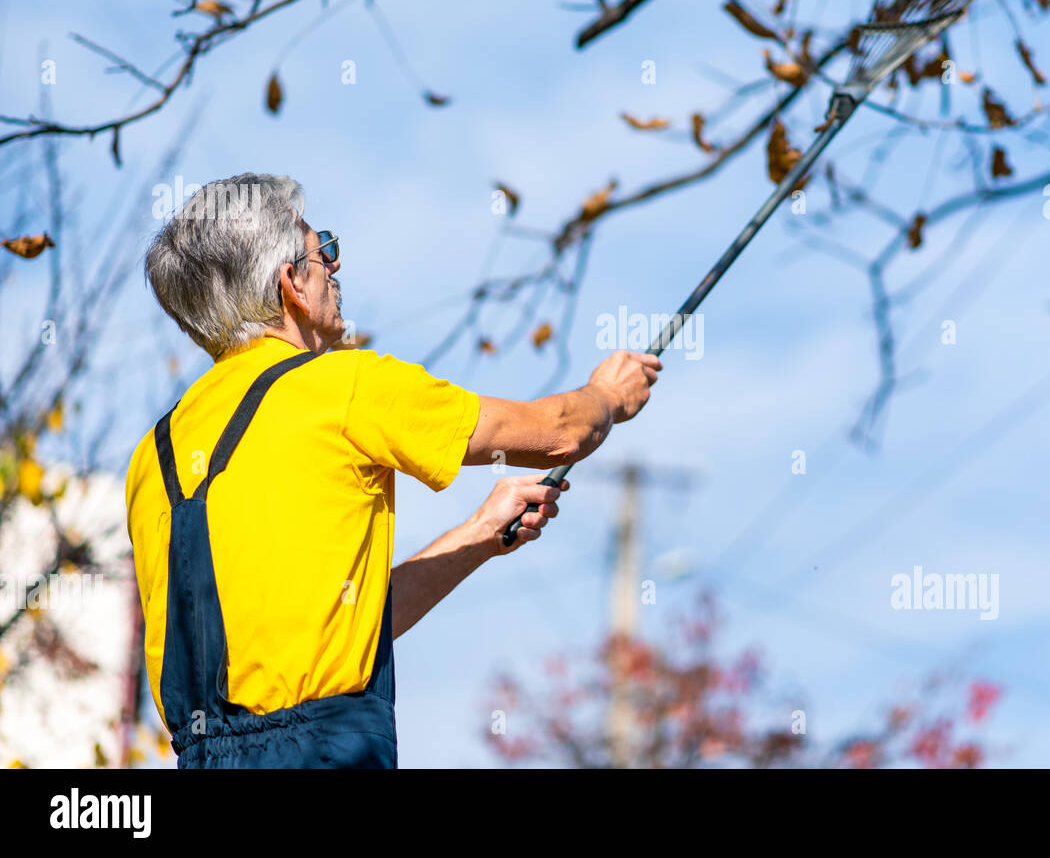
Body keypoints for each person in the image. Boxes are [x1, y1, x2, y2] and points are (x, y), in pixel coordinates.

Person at [124, 173, 661, 768]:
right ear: (291, 284)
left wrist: (480, 534)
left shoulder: (153, 456)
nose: (333, 268)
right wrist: (608, 395)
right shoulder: (345, 386)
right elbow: (559, 433)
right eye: (321, 251)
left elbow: (347, 632)